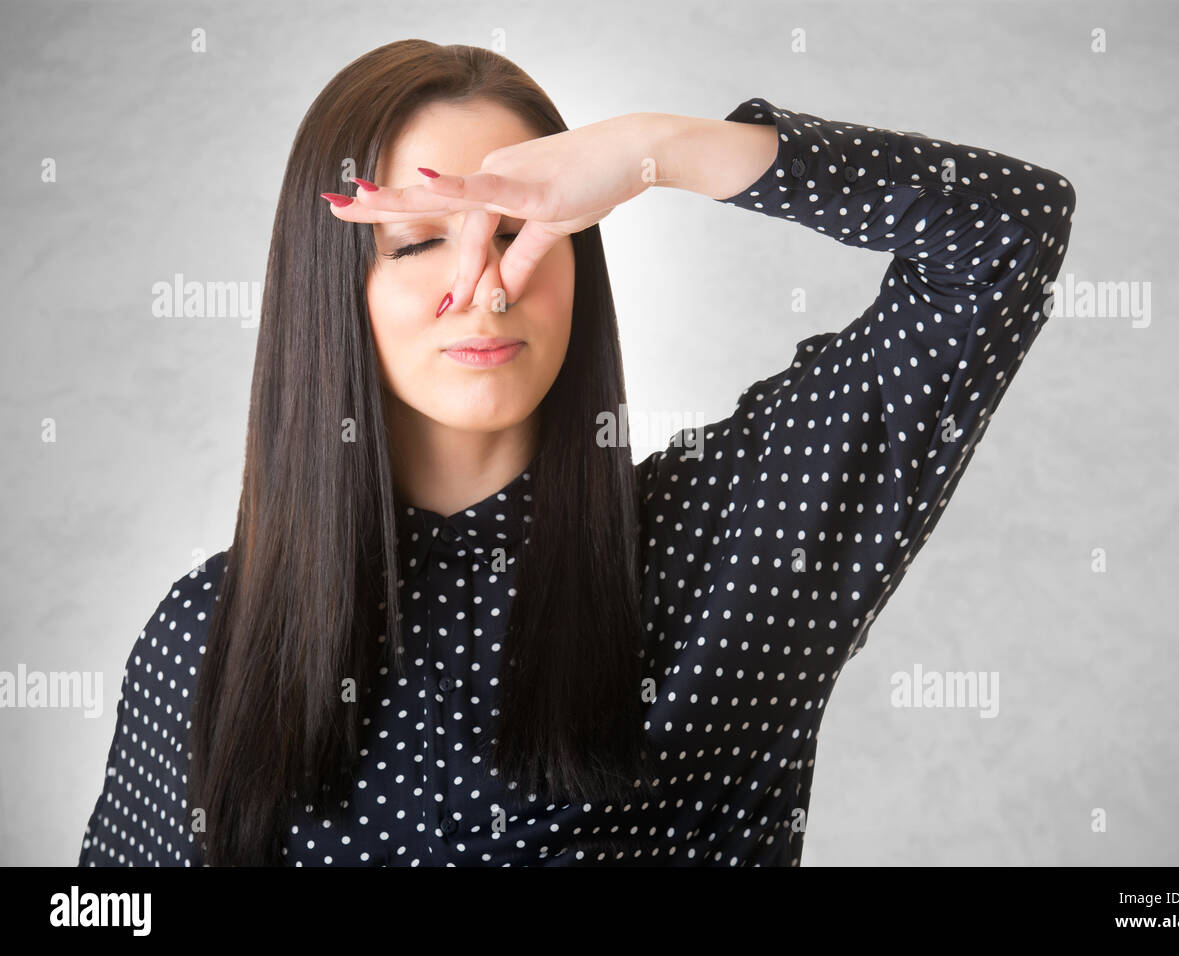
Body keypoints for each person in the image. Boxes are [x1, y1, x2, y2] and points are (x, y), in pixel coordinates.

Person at [78, 38, 1075, 866]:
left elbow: (1010, 233)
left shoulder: (730, 538)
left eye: (520, 230)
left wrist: (661, 150)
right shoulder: (206, 632)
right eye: (420, 240)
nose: (485, 285)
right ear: (332, 291)